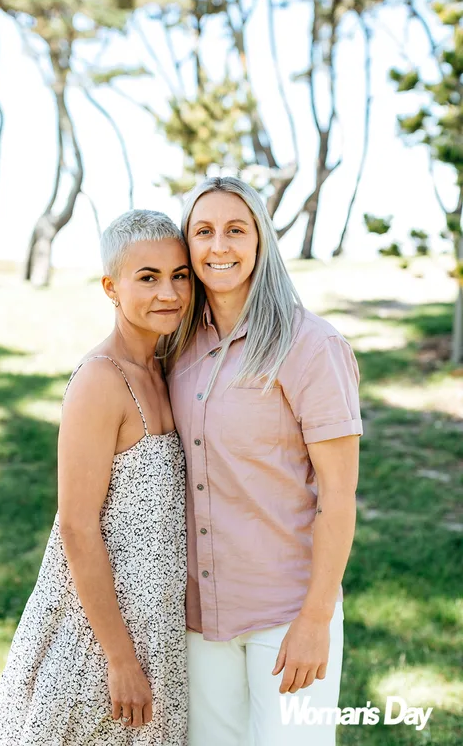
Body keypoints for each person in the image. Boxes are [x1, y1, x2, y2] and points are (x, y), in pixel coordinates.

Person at [165, 177, 363, 746]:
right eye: (203, 232)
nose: (219, 246)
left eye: (236, 230)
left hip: (286, 610)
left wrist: (315, 619)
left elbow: (338, 496)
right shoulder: (177, 346)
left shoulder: (311, 346)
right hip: (201, 615)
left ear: (260, 240)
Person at [0, 210, 192, 746]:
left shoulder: (166, 368)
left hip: (159, 627)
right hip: (98, 636)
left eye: (179, 275)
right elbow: (76, 527)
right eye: (147, 277)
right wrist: (119, 660)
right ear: (111, 287)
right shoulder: (100, 381)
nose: (168, 292)